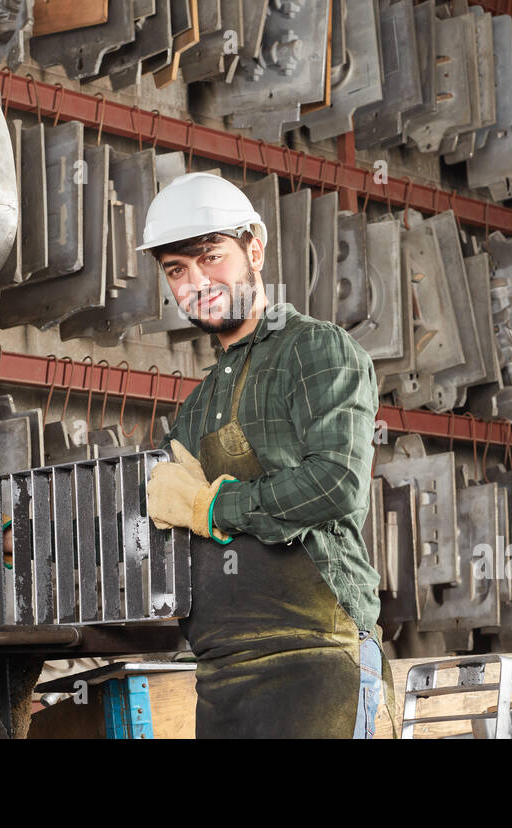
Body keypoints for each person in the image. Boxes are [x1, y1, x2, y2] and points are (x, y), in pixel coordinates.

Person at [136, 172, 391, 738]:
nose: (196, 281)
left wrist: (211, 510)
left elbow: (336, 483)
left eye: (210, 257)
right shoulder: (195, 409)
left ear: (255, 248)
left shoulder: (317, 350)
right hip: (223, 674)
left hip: (318, 655)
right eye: (177, 270)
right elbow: (155, 522)